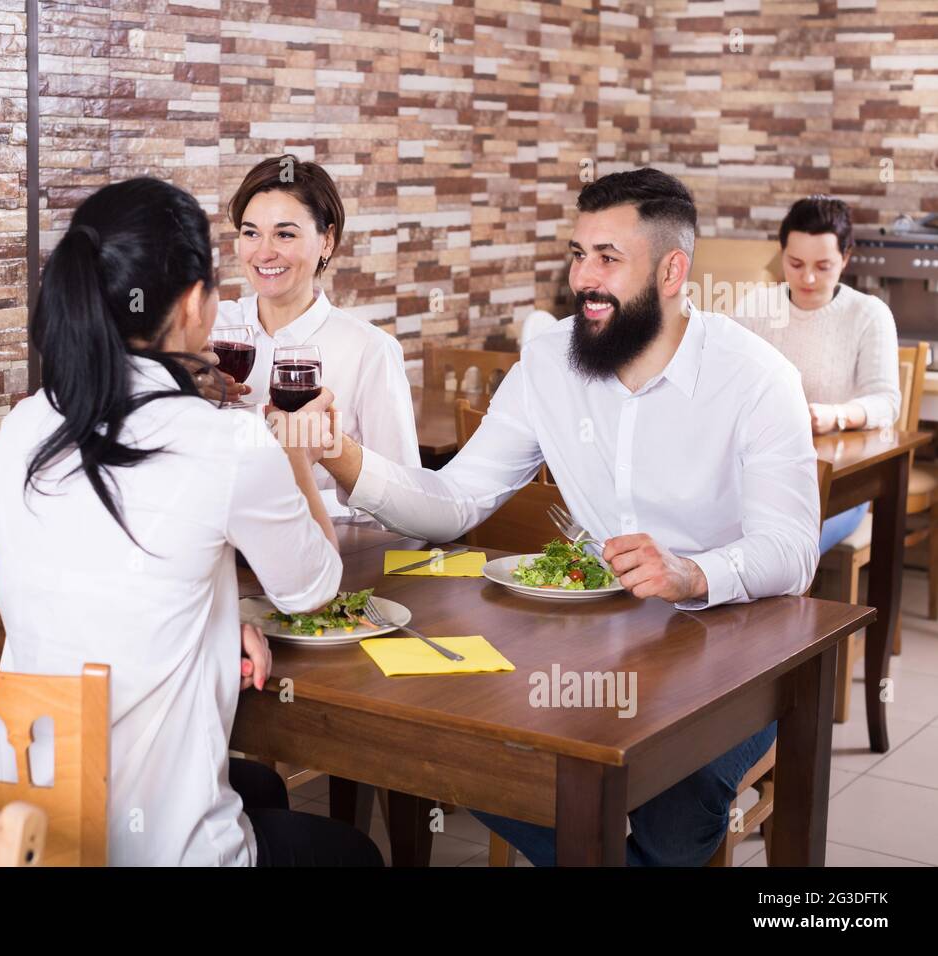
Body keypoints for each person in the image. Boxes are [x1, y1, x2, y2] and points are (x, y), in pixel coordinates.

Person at [276, 168, 821, 866]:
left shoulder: (757, 378)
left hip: (738, 639)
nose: (582, 279)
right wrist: (344, 456)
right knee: (464, 744)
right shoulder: (547, 361)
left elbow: (793, 550)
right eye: (576, 254)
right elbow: (456, 502)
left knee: (675, 813)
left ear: (673, 271)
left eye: (607, 259)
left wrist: (691, 573)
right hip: (606, 637)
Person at [0, 177, 382, 867]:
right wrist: (299, 455)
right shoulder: (225, 442)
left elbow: (109, 570)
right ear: (196, 303)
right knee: (353, 855)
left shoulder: (28, 422)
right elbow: (313, 589)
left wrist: (216, 623)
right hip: (149, 849)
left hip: (17, 828)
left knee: (262, 787)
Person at [216, 154, 419, 519]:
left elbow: (405, 501)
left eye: (285, 234)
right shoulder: (214, 328)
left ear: (327, 240)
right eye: (251, 233)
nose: (264, 252)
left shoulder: (369, 350)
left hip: (333, 552)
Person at [733, 195, 900, 553]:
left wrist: (835, 416)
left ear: (846, 258)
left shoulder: (868, 314)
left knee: (780, 546)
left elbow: (887, 403)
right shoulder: (754, 307)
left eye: (823, 266)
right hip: (760, 472)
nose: (807, 278)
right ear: (781, 253)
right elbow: (725, 384)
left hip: (838, 484)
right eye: (795, 263)